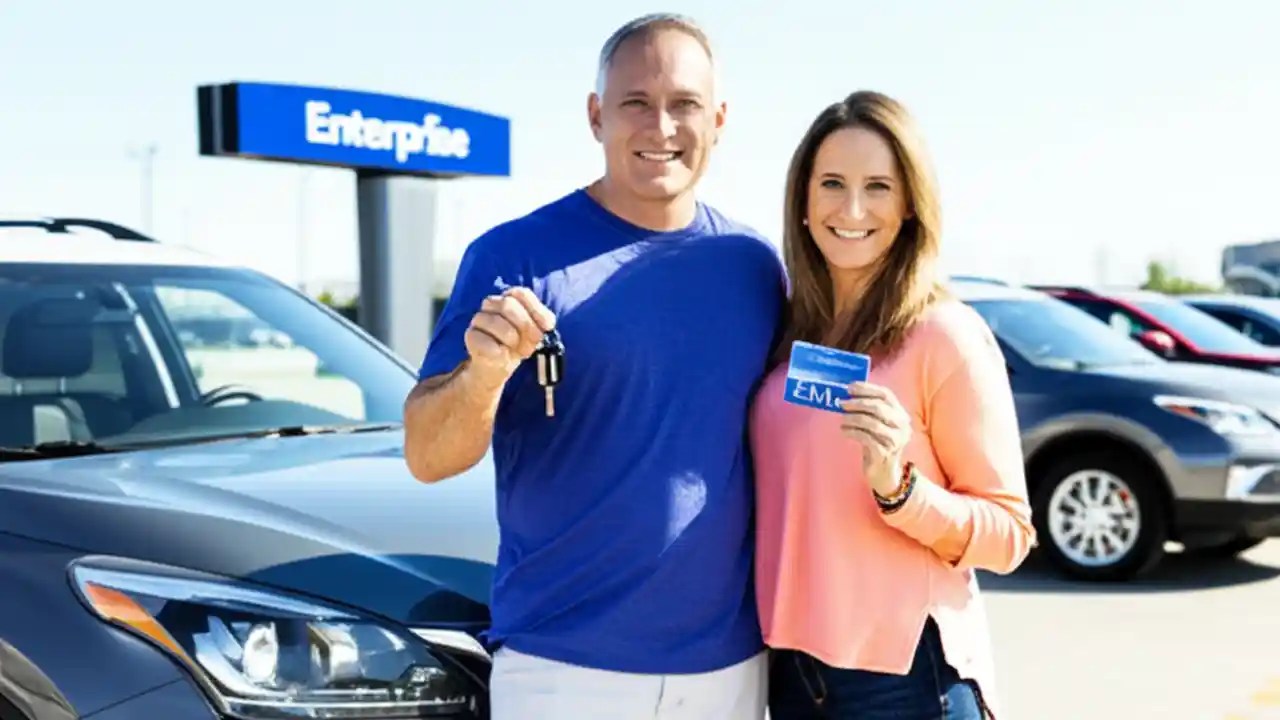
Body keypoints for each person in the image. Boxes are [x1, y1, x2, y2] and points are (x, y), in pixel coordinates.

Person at [402, 13, 784, 720]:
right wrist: (484, 374)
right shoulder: (512, 259)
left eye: (685, 105)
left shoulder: (756, 268)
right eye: (635, 102)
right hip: (564, 669)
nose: (661, 126)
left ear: (720, 119)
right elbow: (427, 454)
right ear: (595, 115)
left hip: (731, 669)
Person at [750, 90, 1036, 720]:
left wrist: (900, 490)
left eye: (878, 186)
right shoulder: (789, 331)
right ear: (802, 201)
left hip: (905, 678)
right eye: (832, 183)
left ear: (909, 205)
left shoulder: (944, 335)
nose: (852, 209)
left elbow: (1011, 536)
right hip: (793, 672)